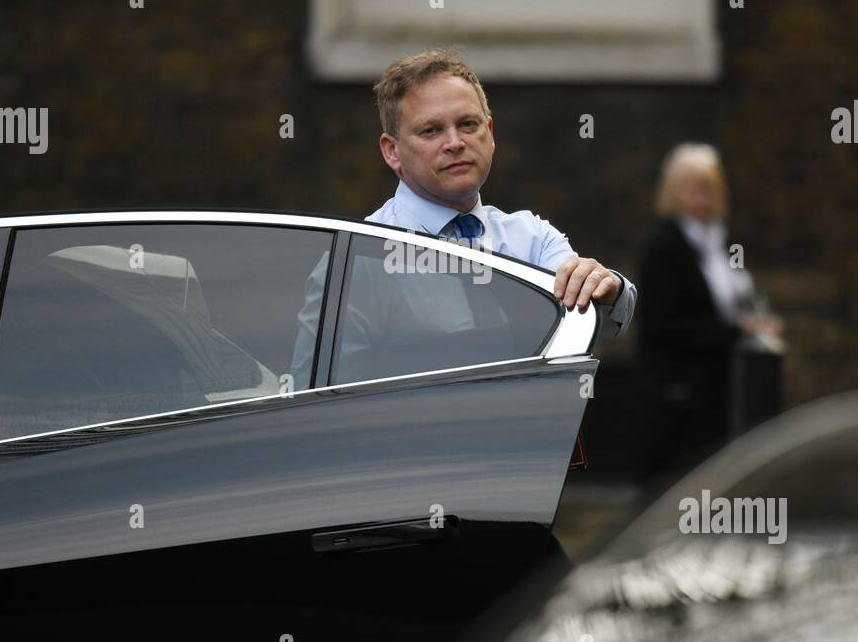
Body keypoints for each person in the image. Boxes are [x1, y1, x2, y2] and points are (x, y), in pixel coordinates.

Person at [290, 49, 637, 385]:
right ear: (392, 151)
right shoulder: (357, 259)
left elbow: (597, 323)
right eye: (431, 130)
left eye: (468, 124)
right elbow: (317, 401)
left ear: (490, 133)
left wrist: (609, 287)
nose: (455, 142)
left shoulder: (532, 238)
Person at [637, 143, 783, 471]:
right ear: (675, 191)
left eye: (712, 186)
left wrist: (759, 321)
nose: (706, 196)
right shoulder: (663, 247)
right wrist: (738, 330)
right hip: (680, 394)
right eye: (697, 186)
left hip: (723, 388)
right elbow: (664, 326)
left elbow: (742, 296)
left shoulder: (721, 241)